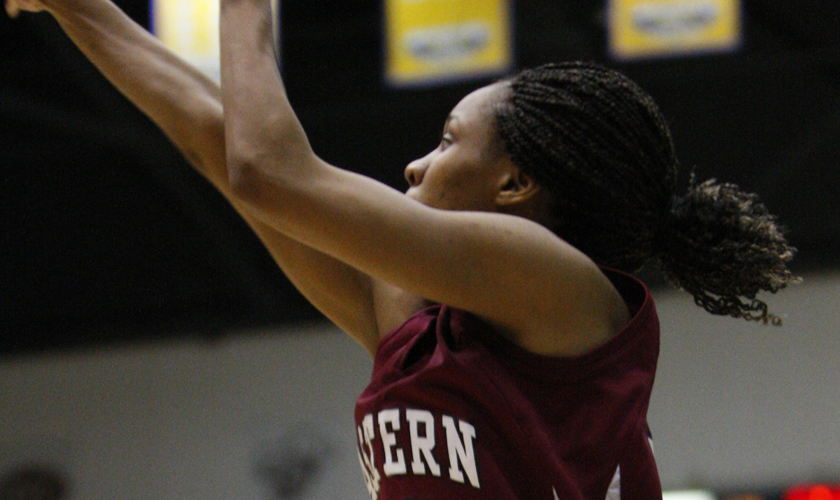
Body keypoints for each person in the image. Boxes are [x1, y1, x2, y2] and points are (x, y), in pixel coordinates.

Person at [6, 0, 799, 499]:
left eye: (448, 140)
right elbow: (219, 146)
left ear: (515, 185)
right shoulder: (422, 332)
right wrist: (81, 10)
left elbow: (267, 172)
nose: (417, 165)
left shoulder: (556, 281)